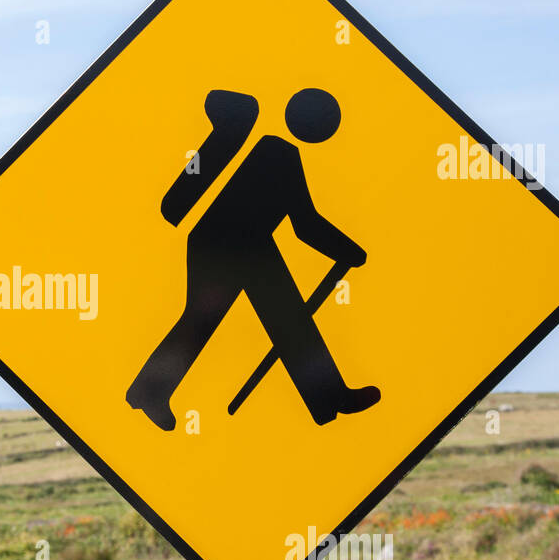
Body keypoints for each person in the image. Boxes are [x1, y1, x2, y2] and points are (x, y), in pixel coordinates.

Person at [127, 88, 380, 431]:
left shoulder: (275, 150)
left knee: (284, 318)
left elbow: (303, 224)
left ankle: (329, 398)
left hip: (246, 244)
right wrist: (348, 250)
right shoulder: (278, 153)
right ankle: (149, 390)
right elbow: (305, 225)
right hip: (224, 244)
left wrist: (346, 250)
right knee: (210, 320)